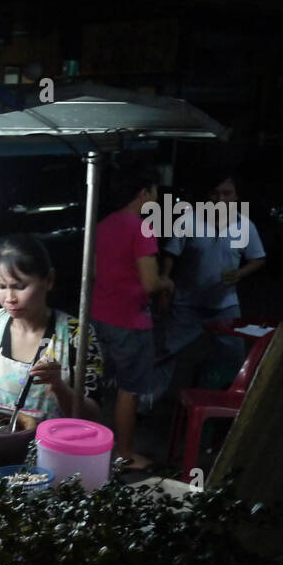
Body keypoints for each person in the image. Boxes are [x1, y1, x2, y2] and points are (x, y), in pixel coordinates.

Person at [0, 234, 102, 422]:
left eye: (20, 286)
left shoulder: (78, 334)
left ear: (49, 280)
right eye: (1, 286)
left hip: (50, 448)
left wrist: (59, 386)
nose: (9, 298)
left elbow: (93, 418)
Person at [90, 163, 174, 470]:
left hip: (99, 317)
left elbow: (96, 272)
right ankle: (124, 454)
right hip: (130, 321)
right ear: (144, 192)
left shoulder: (102, 225)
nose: (157, 199)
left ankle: (92, 447)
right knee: (130, 388)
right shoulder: (142, 227)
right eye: (155, 193)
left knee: (100, 386)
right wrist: (168, 282)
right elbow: (151, 283)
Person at [159, 174, 267, 369]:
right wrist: (165, 283)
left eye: (227, 194)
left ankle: (225, 397)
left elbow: (258, 258)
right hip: (187, 304)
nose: (220, 199)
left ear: (236, 197)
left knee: (234, 359)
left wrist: (240, 273)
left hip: (225, 305)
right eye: (215, 194)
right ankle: (147, 397)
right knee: (165, 354)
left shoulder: (245, 226)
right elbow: (171, 254)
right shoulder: (189, 220)